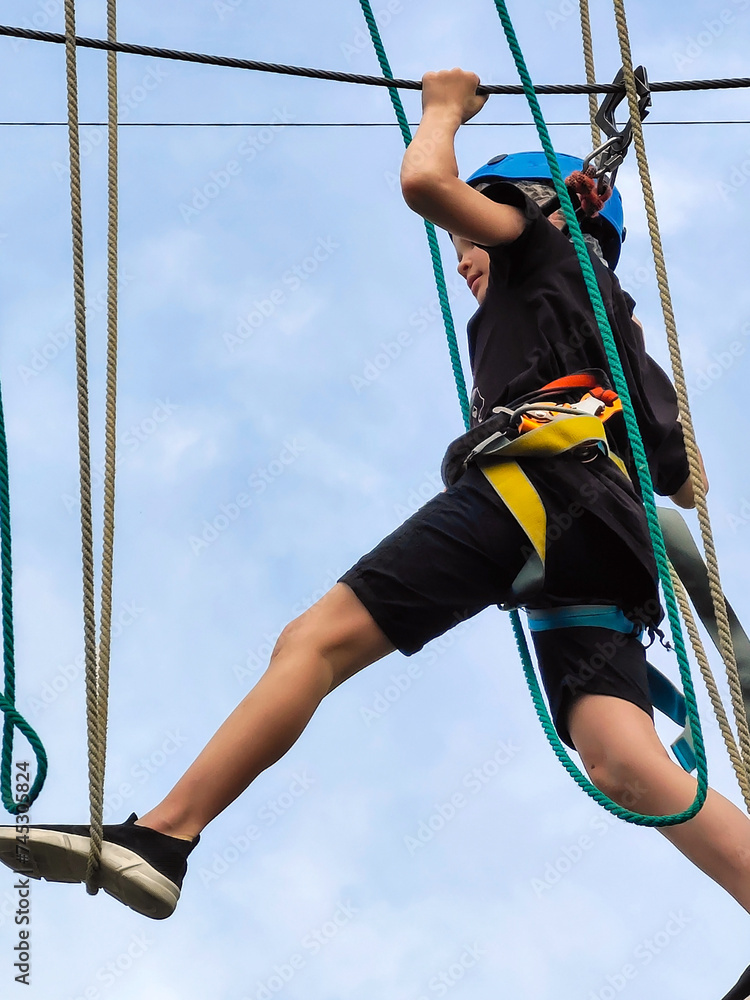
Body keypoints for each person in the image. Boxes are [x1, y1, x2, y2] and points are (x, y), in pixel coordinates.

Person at [1, 67, 749, 997]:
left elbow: (423, 184)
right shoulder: (613, 318)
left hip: (540, 491)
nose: (462, 253)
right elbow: (685, 478)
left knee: (314, 643)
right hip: (609, 545)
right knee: (626, 762)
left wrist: (443, 109)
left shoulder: (538, 251)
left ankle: (165, 835)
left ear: (534, 207)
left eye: (474, 233)